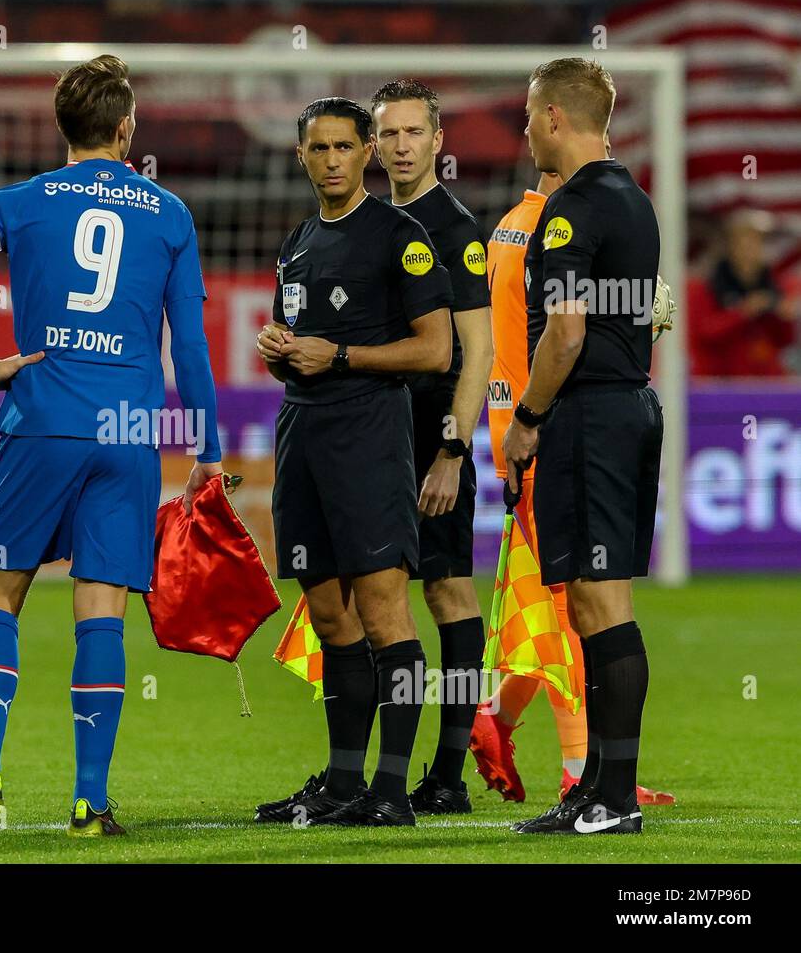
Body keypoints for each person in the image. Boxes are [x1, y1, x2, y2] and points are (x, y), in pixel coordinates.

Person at [0, 54, 222, 837]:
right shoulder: (171, 214)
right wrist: (207, 448)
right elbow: (192, 349)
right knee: (101, 614)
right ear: (126, 129)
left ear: (63, 127)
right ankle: (90, 801)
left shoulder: (14, 205)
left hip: (41, 425)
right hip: (127, 437)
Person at [254, 97, 453, 828]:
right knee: (330, 616)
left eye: (345, 146)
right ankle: (342, 785)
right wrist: (280, 351)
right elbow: (300, 342)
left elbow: (436, 351)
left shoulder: (399, 236)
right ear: (301, 156)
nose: (333, 160)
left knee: (382, 612)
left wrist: (339, 355)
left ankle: (393, 791)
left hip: (369, 440)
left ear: (366, 152)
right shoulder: (299, 242)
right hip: (302, 438)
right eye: (319, 148)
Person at [474, 170, 675, 809]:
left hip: (521, 419)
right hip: (548, 424)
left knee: (552, 597)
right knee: (572, 605)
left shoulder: (511, 226)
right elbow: (561, 334)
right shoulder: (557, 225)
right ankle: (579, 765)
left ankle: (497, 716)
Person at [503, 57, 662, 834]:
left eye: (531, 114)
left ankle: (614, 798)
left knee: (601, 605)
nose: (526, 128)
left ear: (557, 118)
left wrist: (526, 416)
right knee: (601, 604)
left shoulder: (570, 212)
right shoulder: (634, 200)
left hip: (589, 416)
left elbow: (565, 331)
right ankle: (596, 789)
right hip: (627, 408)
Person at [369, 80, 494, 815]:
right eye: (390, 133)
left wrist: (453, 448)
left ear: (438, 142)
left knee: (446, 588)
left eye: (415, 132)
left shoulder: (454, 229)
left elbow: (477, 351)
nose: (403, 145)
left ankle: (448, 772)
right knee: (373, 595)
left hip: (431, 430)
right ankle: (368, 771)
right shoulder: (372, 222)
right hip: (375, 431)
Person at [690, 208, 797, 377]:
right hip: (720, 383)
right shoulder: (708, 287)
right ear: (730, 246)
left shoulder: (775, 285)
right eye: (742, 241)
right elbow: (704, 333)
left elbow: (784, 341)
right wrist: (743, 312)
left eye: (756, 241)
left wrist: (783, 317)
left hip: (765, 383)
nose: (749, 249)